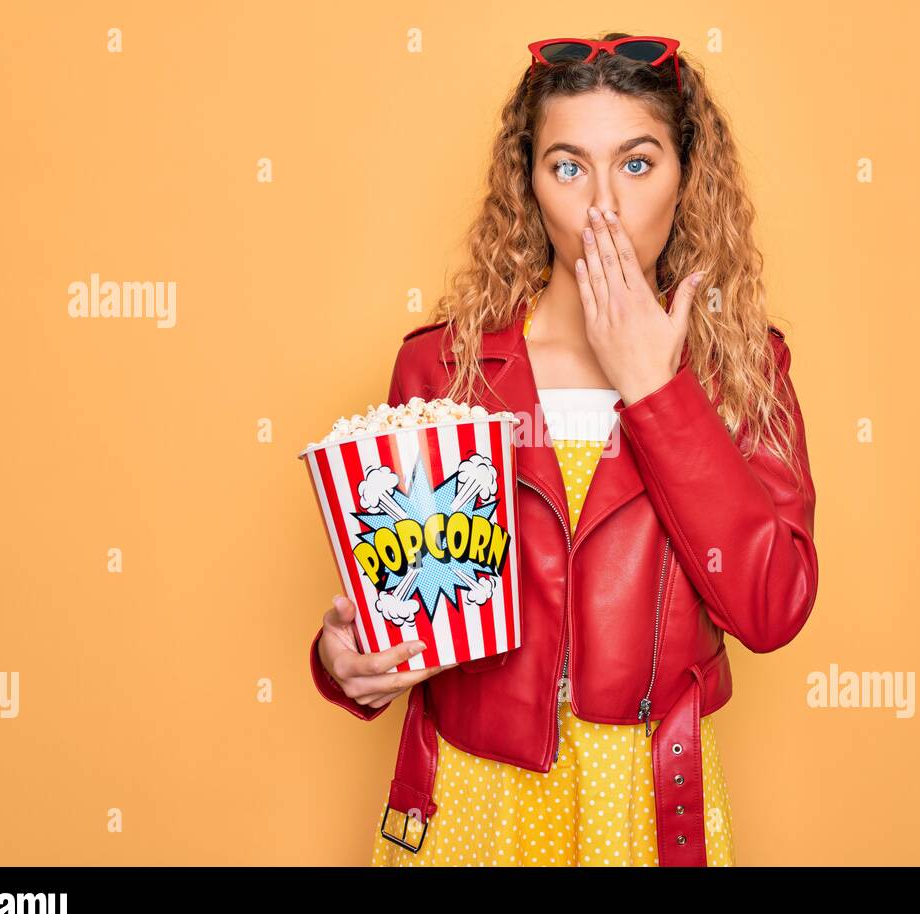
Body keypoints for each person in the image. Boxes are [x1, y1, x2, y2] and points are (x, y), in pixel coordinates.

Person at [312, 31, 819, 866]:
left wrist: (658, 393)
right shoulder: (442, 368)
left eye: (638, 162)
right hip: (472, 800)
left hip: (648, 806)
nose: (603, 209)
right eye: (569, 167)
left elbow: (770, 609)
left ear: (688, 177)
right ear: (529, 183)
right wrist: (347, 660)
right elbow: (401, 607)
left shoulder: (742, 372)